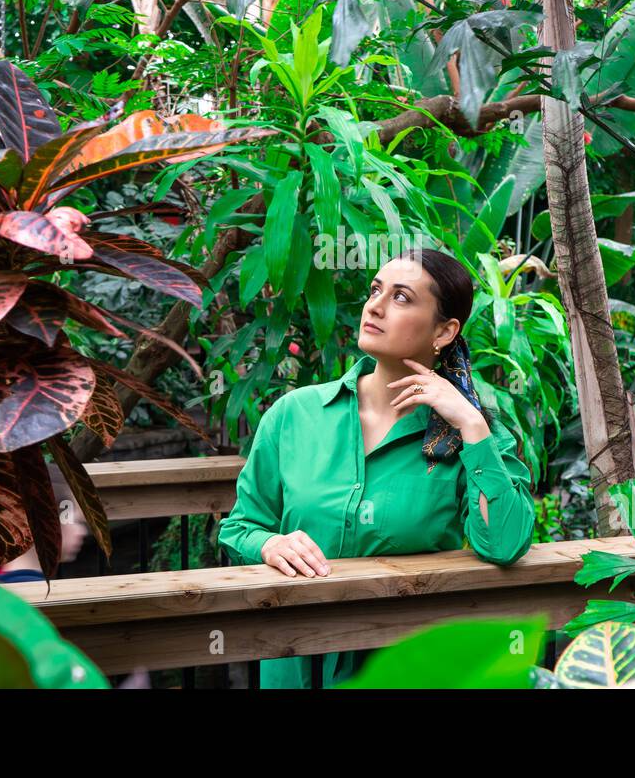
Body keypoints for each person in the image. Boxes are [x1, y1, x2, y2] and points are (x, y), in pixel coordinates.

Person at [218, 247, 537, 688]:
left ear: (444, 331)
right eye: (375, 290)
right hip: (293, 661)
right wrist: (270, 545)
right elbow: (239, 528)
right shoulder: (295, 414)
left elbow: (504, 543)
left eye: (402, 297)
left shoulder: (471, 432)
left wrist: (469, 423)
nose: (376, 306)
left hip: (404, 668)